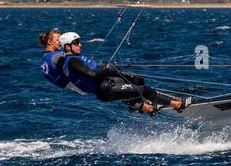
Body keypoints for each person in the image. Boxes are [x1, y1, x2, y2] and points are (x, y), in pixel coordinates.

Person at [41, 29, 188, 115]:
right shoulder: (69, 60)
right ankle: (175, 104)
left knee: (136, 80)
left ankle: (143, 106)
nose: (80, 44)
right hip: (104, 89)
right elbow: (93, 74)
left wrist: (105, 70)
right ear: (67, 47)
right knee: (143, 89)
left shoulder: (70, 58)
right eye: (76, 43)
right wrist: (109, 71)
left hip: (103, 85)